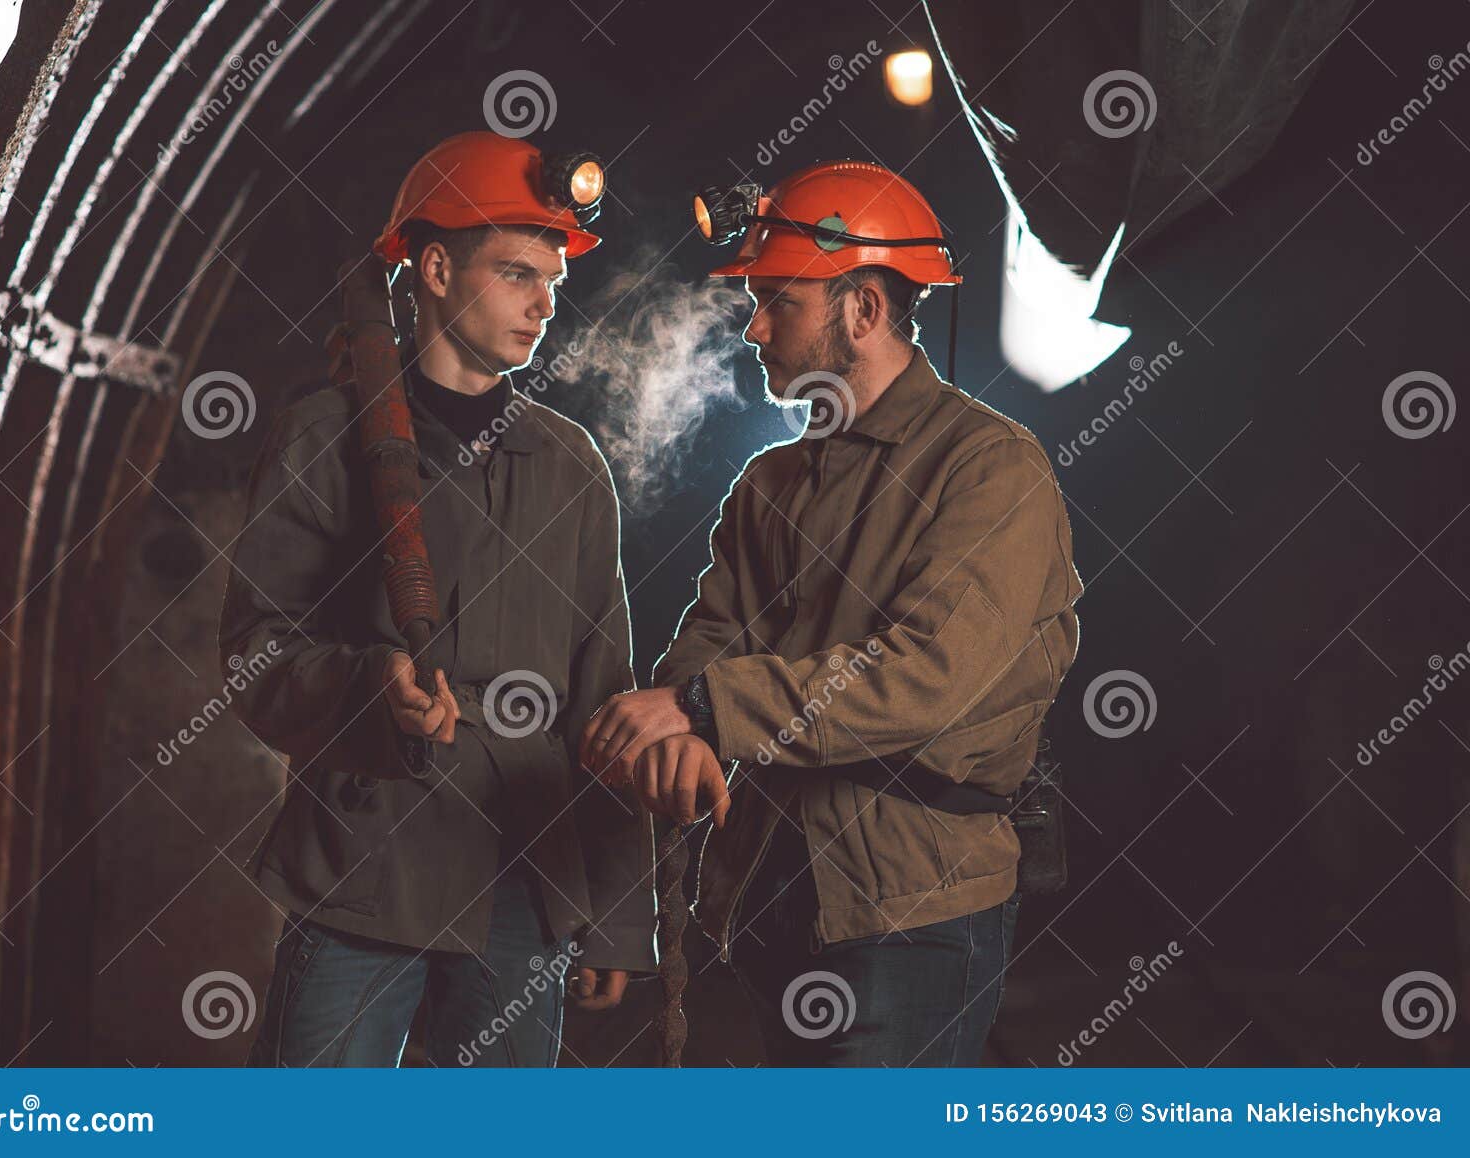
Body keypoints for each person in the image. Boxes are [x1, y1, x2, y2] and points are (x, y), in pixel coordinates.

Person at [580, 160, 1082, 1066]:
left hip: (911, 902)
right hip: (772, 881)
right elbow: (714, 632)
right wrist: (691, 730)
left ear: (864, 310)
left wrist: (703, 709)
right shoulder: (771, 481)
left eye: (779, 302)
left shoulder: (989, 469)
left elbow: (926, 678)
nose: (754, 328)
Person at [220, 131, 656, 1067]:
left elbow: (604, 698)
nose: (543, 303)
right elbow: (257, 652)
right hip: (364, 867)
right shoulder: (326, 438)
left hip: (522, 875)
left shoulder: (570, 465)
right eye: (516, 273)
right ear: (434, 270)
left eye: (552, 279)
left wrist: (620, 915)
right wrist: (368, 687)